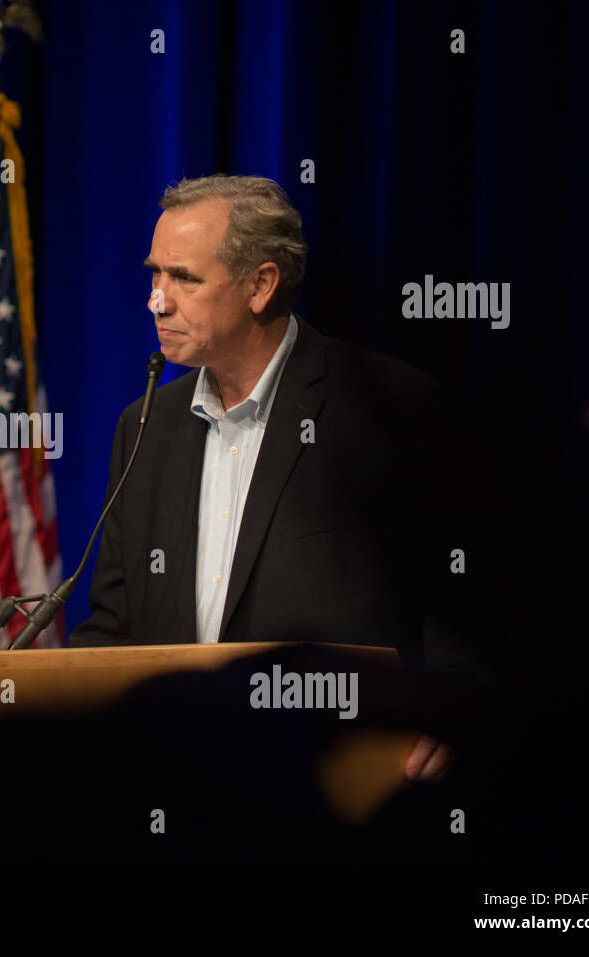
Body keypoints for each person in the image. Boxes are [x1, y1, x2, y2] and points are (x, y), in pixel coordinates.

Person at [69, 175, 489, 784]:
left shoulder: (388, 408)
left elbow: (468, 596)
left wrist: (458, 704)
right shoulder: (144, 427)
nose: (157, 300)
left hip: (340, 788)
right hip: (177, 791)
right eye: (154, 274)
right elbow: (114, 628)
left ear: (261, 285)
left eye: (183, 277)